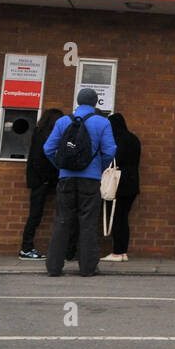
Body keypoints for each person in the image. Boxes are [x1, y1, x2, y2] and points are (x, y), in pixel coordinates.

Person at [43, 88, 116, 277]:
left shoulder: (62, 121)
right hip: (90, 180)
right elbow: (109, 151)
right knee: (88, 223)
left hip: (66, 179)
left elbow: (48, 148)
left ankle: (53, 267)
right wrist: (98, 169)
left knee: (61, 221)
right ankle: (87, 268)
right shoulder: (102, 122)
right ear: (95, 103)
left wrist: (61, 167)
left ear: (77, 101)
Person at [18, 108, 63, 260]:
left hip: (39, 179)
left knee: (36, 214)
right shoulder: (44, 136)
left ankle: (27, 247)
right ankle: (26, 248)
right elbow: (41, 160)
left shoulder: (40, 133)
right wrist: (48, 178)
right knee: (35, 215)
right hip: (41, 180)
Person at [102, 112, 141, 262]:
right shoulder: (134, 139)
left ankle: (117, 252)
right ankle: (123, 251)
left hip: (118, 182)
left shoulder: (117, 140)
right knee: (123, 218)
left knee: (117, 217)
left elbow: (114, 160)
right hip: (132, 182)